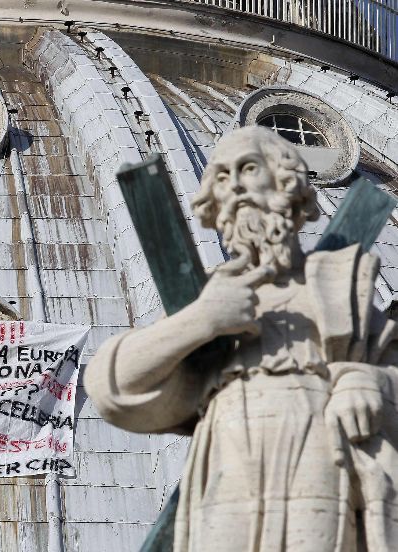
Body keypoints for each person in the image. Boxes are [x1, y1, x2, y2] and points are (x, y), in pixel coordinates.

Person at [85, 126, 398, 551]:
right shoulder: (210, 293)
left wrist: (370, 382)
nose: (234, 186)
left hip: (324, 451)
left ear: (287, 182)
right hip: (227, 461)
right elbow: (112, 387)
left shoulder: (338, 285)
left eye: (248, 168)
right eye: (221, 177)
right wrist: (202, 320)